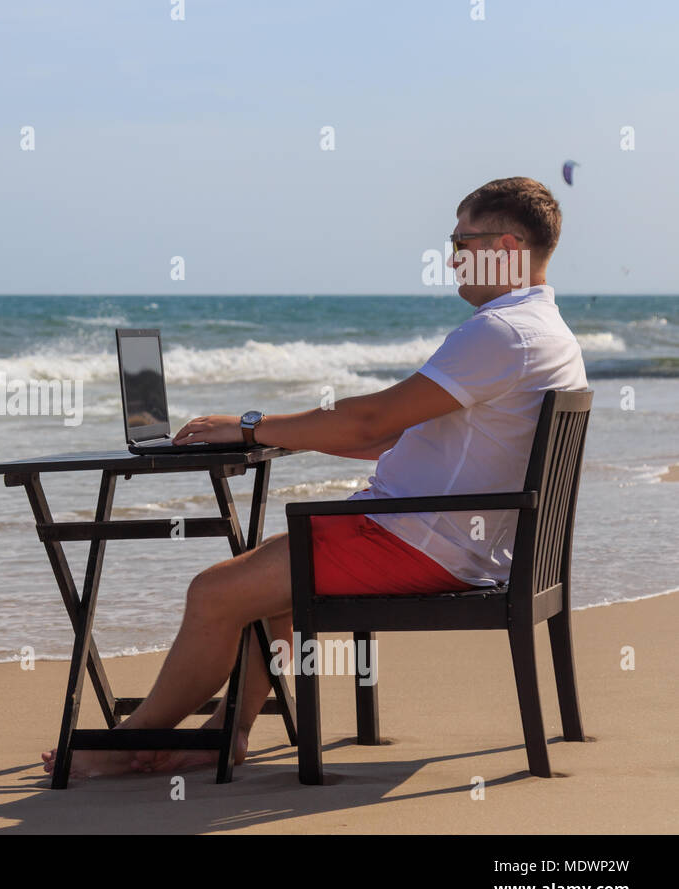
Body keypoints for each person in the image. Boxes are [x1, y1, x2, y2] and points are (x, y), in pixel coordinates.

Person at [43, 177, 588, 779]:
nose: (450, 254)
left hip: (421, 543)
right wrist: (285, 431)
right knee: (263, 579)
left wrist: (251, 427)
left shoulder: (500, 332)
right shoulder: (545, 330)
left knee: (215, 593)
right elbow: (384, 434)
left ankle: (128, 742)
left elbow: (370, 421)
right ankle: (227, 732)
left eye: (462, 238)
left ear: (507, 245)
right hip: (464, 540)